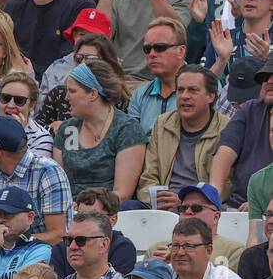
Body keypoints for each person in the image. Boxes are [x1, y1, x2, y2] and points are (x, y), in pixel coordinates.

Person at [0, 115, 73, 247]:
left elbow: (58, 236)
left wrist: (12, 242)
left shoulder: (48, 172)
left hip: (41, 254)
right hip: (3, 249)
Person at [53, 58, 148, 201]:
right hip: (69, 210)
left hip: (109, 213)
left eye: (72, 91)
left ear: (93, 94)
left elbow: (122, 193)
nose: (66, 97)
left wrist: (84, 206)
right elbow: (58, 187)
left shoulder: (126, 129)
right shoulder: (67, 129)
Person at [136, 66, 227, 207]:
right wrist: (159, 199)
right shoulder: (162, 123)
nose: (184, 96)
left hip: (202, 207)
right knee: (128, 208)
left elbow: (227, 185)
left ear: (211, 96)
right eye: (180, 90)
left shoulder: (226, 129)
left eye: (193, 90)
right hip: (163, 205)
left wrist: (186, 202)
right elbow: (148, 176)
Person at [207, 54, 273, 207]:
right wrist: (213, 196)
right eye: (264, 77)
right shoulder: (249, 109)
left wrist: (262, 203)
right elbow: (225, 153)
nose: (269, 81)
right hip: (237, 206)